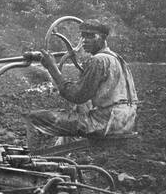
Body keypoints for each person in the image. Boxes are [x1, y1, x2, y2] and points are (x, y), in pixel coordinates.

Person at [24, 20, 138, 148]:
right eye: (83, 36)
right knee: (77, 110)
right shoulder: (117, 59)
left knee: (33, 118)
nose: (85, 40)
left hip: (103, 124)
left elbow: (76, 96)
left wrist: (52, 68)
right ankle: (61, 155)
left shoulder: (98, 60)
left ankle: (32, 159)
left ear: (103, 38)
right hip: (124, 122)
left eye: (90, 36)